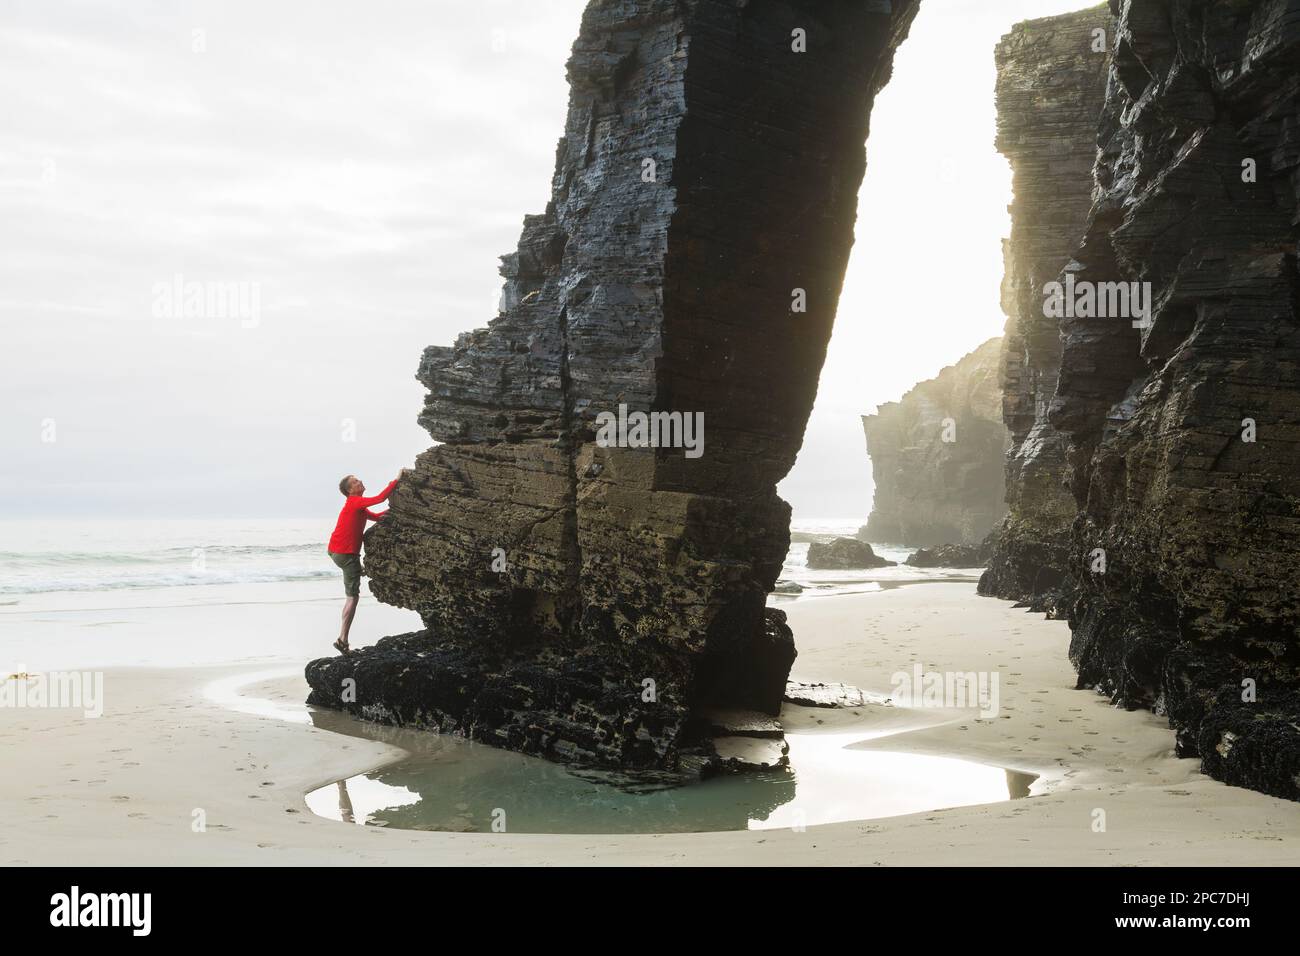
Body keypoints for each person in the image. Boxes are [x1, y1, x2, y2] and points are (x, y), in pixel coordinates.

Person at [327, 471, 406, 654]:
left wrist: (398, 509)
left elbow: (377, 517)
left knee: (353, 582)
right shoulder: (355, 501)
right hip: (346, 555)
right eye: (355, 482)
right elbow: (379, 498)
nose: (360, 481)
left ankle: (360, 569)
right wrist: (396, 480)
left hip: (336, 551)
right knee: (352, 598)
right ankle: (342, 639)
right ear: (350, 490)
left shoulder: (358, 506)